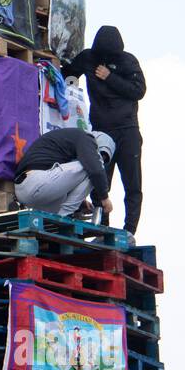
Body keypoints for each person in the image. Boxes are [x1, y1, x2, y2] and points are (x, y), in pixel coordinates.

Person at [61, 25, 146, 235]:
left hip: (127, 130)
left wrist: (110, 77)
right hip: (101, 130)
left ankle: (129, 232)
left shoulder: (128, 61)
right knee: (99, 182)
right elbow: (69, 73)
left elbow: (139, 90)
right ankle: (103, 229)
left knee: (132, 183)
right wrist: (71, 90)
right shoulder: (89, 58)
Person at [14, 129, 116, 220]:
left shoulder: (72, 141)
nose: (101, 159)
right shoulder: (86, 137)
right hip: (35, 183)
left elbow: (61, 179)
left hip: (28, 191)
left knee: (91, 165)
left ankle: (63, 217)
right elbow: (96, 170)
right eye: (101, 154)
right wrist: (105, 198)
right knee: (92, 166)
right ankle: (66, 216)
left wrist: (80, 204)